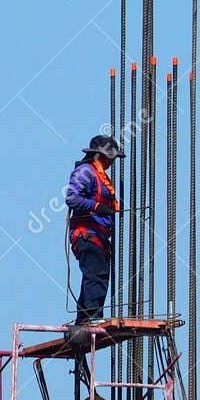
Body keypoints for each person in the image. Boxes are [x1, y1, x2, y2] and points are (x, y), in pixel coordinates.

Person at [65, 134, 124, 324]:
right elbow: (72, 198)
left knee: (94, 275)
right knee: (95, 275)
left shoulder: (100, 175)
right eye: (111, 157)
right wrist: (96, 206)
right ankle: (91, 317)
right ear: (100, 155)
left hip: (98, 235)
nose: (112, 162)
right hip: (87, 234)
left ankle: (83, 320)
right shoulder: (86, 172)